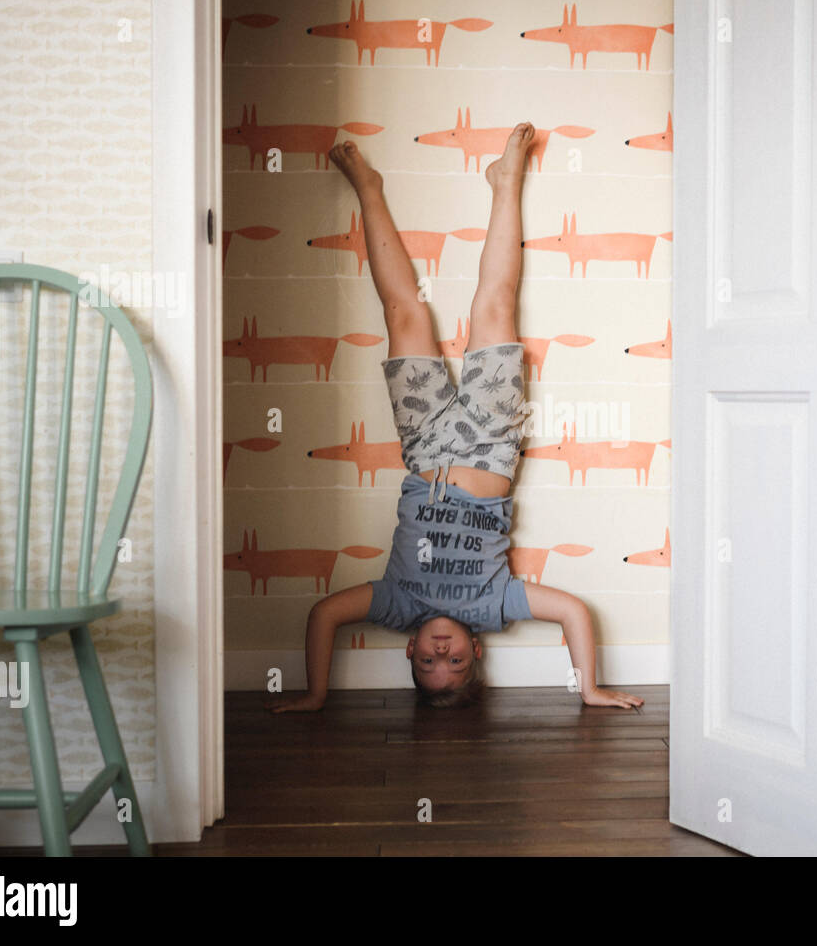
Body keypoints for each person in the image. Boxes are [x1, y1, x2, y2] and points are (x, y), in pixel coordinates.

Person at [266, 123, 645, 711]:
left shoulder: (396, 604)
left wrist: (316, 695)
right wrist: (588, 688)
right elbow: (572, 610)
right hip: (492, 443)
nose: (441, 652)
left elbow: (325, 614)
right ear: (477, 650)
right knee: (495, 305)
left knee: (403, 313)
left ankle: (368, 189)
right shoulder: (493, 607)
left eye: (428, 662)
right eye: (456, 662)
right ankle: (505, 181)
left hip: (424, 446)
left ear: (409, 648)